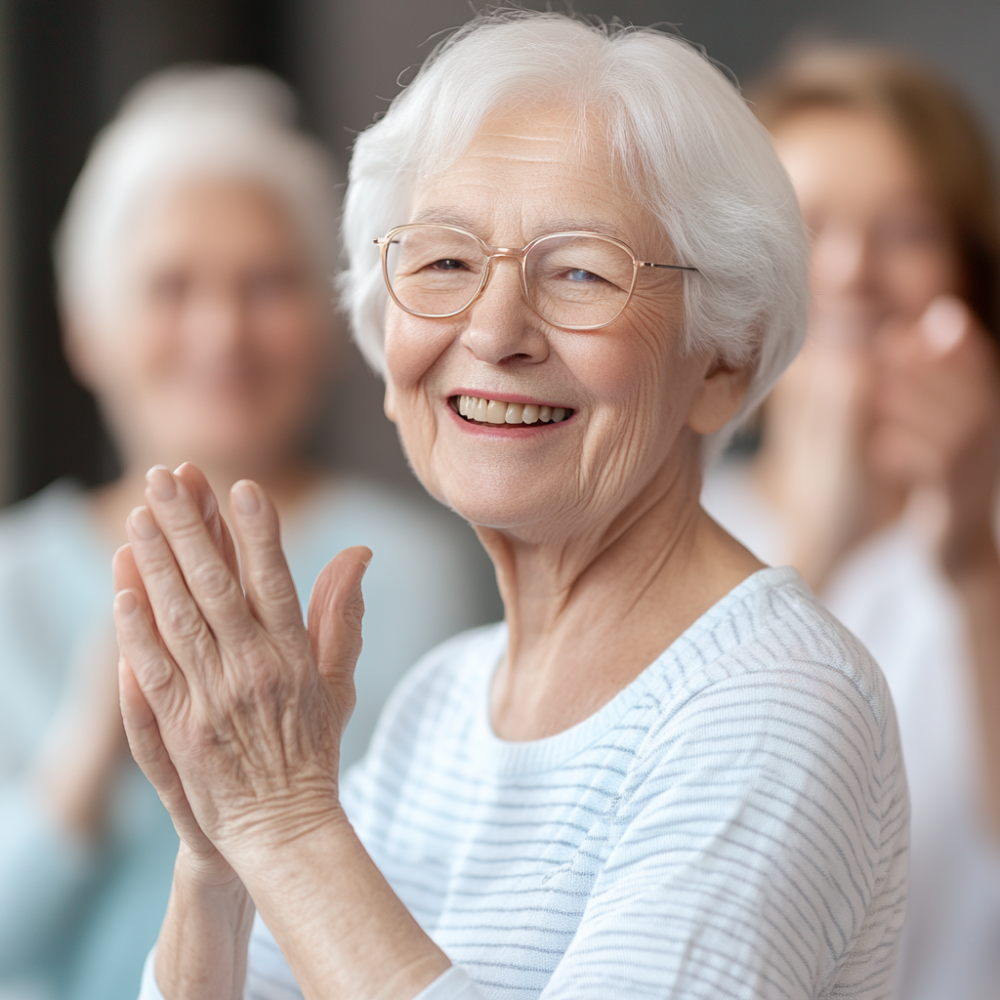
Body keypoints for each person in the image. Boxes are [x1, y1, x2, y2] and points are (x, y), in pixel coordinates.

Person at [119, 13, 908, 1000]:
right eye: (445, 262)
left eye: (580, 270)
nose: (493, 331)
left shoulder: (774, 700)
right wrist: (220, 854)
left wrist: (282, 821)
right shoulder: (439, 706)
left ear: (724, 357)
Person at [0, 66, 494, 1000]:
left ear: (327, 319)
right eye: (170, 287)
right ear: (84, 325)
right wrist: (87, 748)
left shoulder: (418, 566)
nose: (221, 331)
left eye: (266, 284)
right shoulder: (11, 577)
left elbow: (454, 885)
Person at [702, 46, 1000, 1000]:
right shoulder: (667, 522)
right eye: (806, 226)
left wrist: (971, 562)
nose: (851, 270)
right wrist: (816, 555)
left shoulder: (985, 547)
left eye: (906, 229)